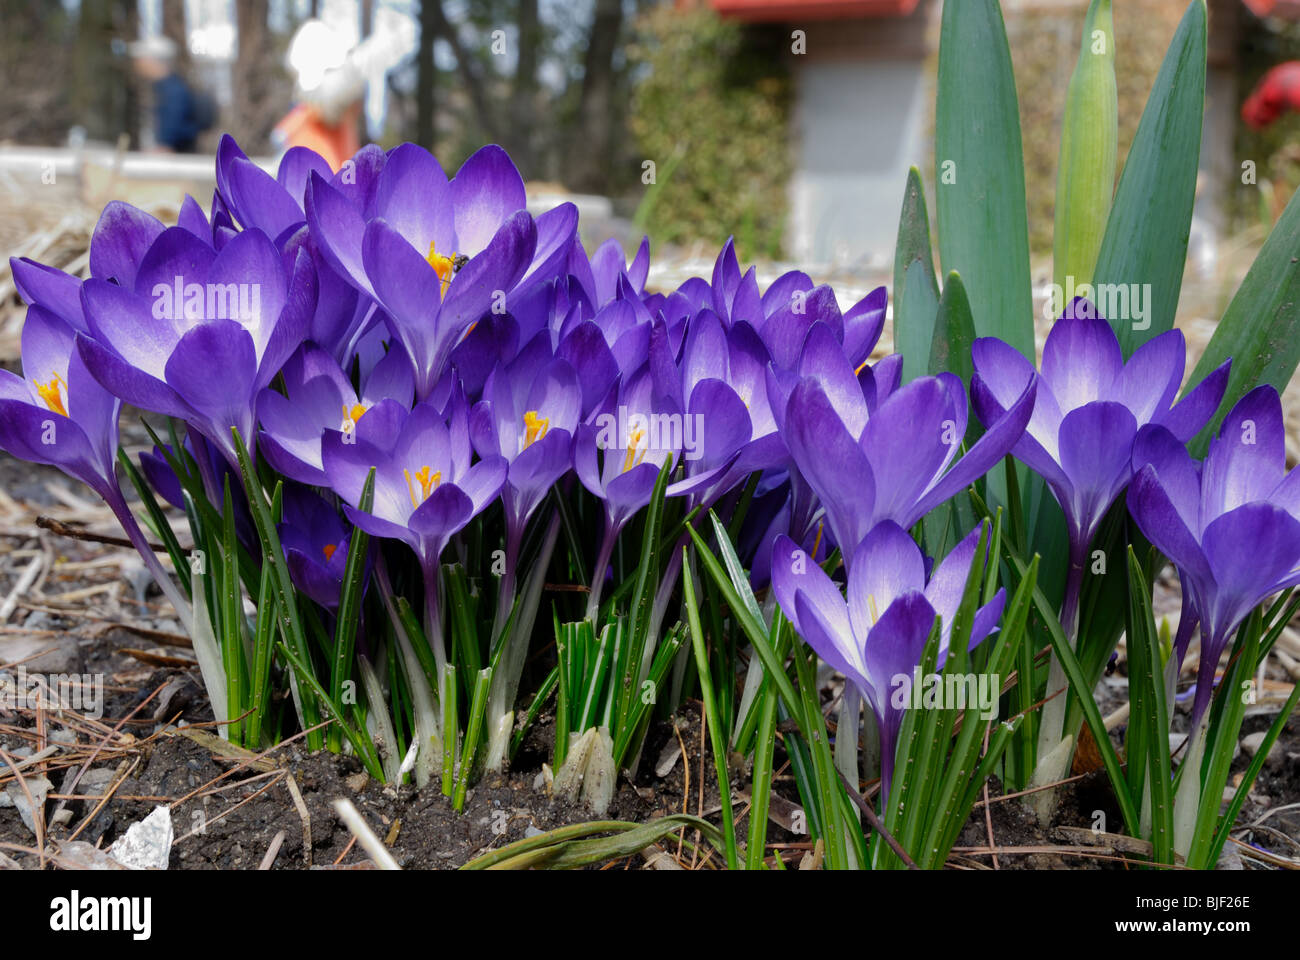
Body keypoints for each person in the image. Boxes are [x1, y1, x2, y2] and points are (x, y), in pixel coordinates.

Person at [129, 36, 207, 153]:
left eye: (141, 59)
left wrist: (163, 146)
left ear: (153, 61)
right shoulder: (164, 87)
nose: (137, 64)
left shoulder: (173, 91)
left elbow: (170, 133)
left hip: (178, 158)